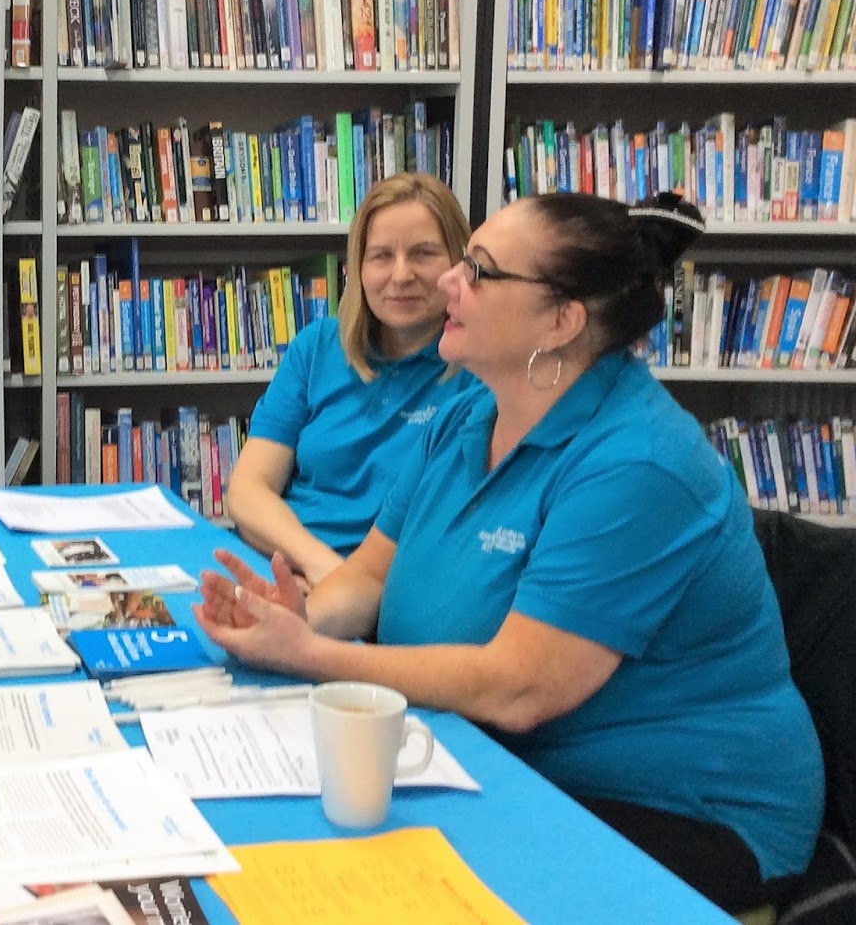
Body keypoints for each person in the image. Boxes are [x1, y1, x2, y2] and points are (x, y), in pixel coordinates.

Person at [196, 191, 823, 912]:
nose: (446, 283)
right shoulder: (470, 408)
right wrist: (300, 618)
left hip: (680, 807)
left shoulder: (639, 463)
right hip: (503, 759)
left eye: (480, 270)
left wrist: (310, 657)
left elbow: (521, 687)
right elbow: (368, 574)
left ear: (561, 321)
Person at [227, 172, 474, 585]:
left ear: (458, 263)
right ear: (357, 266)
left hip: (386, 592)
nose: (400, 275)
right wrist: (318, 564)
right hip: (286, 566)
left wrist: (342, 589)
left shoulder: (480, 368)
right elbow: (248, 489)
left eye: (423, 253)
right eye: (380, 255)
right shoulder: (317, 347)